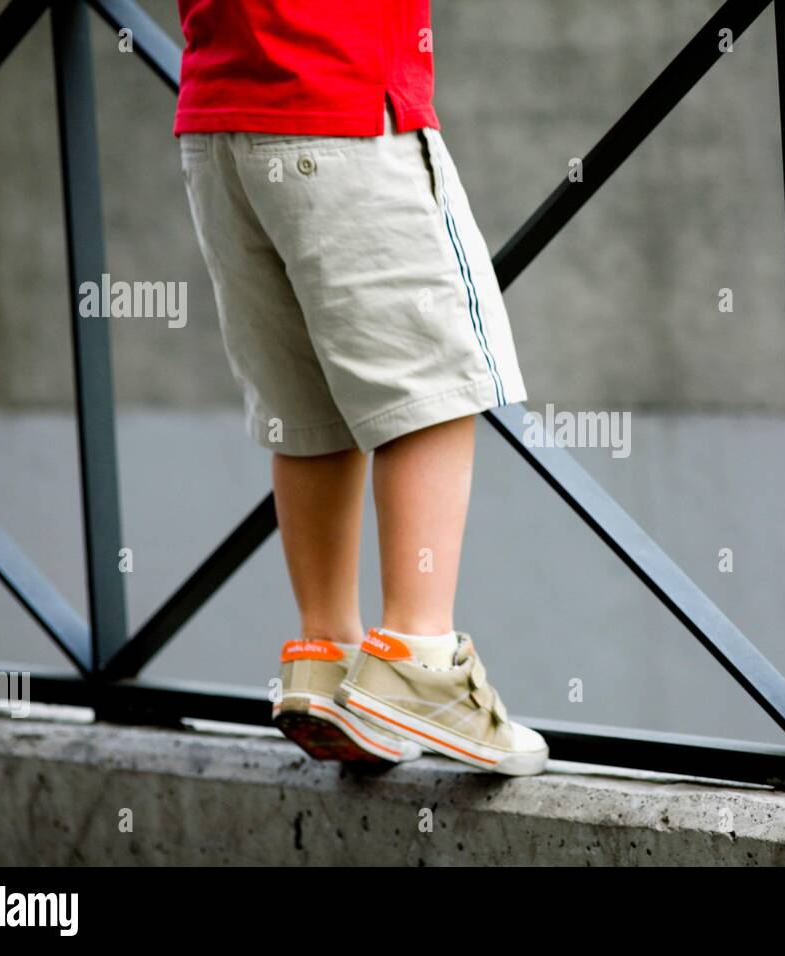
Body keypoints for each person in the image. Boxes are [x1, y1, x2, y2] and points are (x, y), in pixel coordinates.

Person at [174, 0, 547, 776]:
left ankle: (326, 657)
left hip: (219, 122)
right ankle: (419, 654)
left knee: (305, 408)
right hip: (343, 100)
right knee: (434, 385)